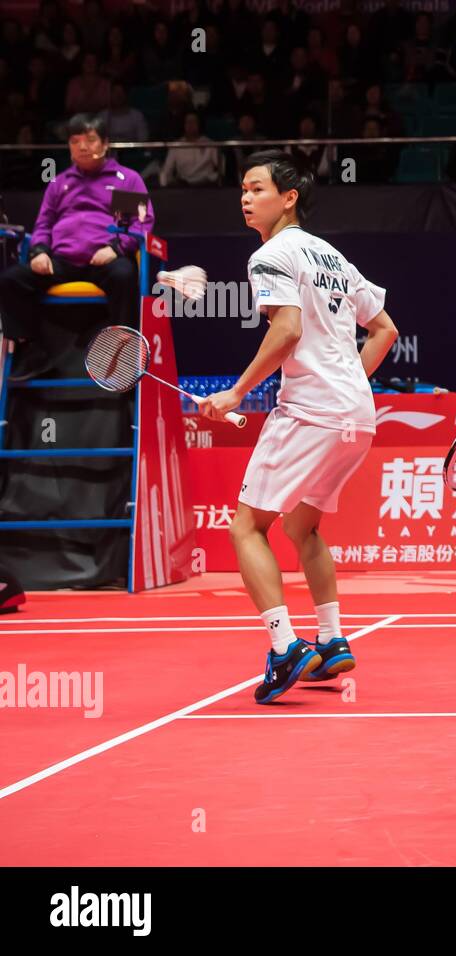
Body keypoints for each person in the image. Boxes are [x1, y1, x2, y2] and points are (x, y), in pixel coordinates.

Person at [197, 150, 399, 704]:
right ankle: (332, 642)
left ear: (288, 198)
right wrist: (347, 385)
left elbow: (285, 331)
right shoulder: (329, 254)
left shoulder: (271, 254)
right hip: (356, 415)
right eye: (242, 189)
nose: (245, 197)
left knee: (247, 528)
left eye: (257, 189)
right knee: (302, 528)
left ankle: (285, 648)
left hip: (311, 410)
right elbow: (384, 330)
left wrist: (236, 392)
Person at [0, 113, 154, 381]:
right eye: (75, 141)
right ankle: (34, 351)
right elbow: (44, 224)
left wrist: (116, 248)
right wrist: (39, 251)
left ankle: (121, 355)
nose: (82, 146)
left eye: (90, 140)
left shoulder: (123, 179)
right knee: (11, 280)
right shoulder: (60, 183)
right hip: (62, 261)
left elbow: (138, 226)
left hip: (104, 260)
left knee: (124, 274)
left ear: (105, 144)